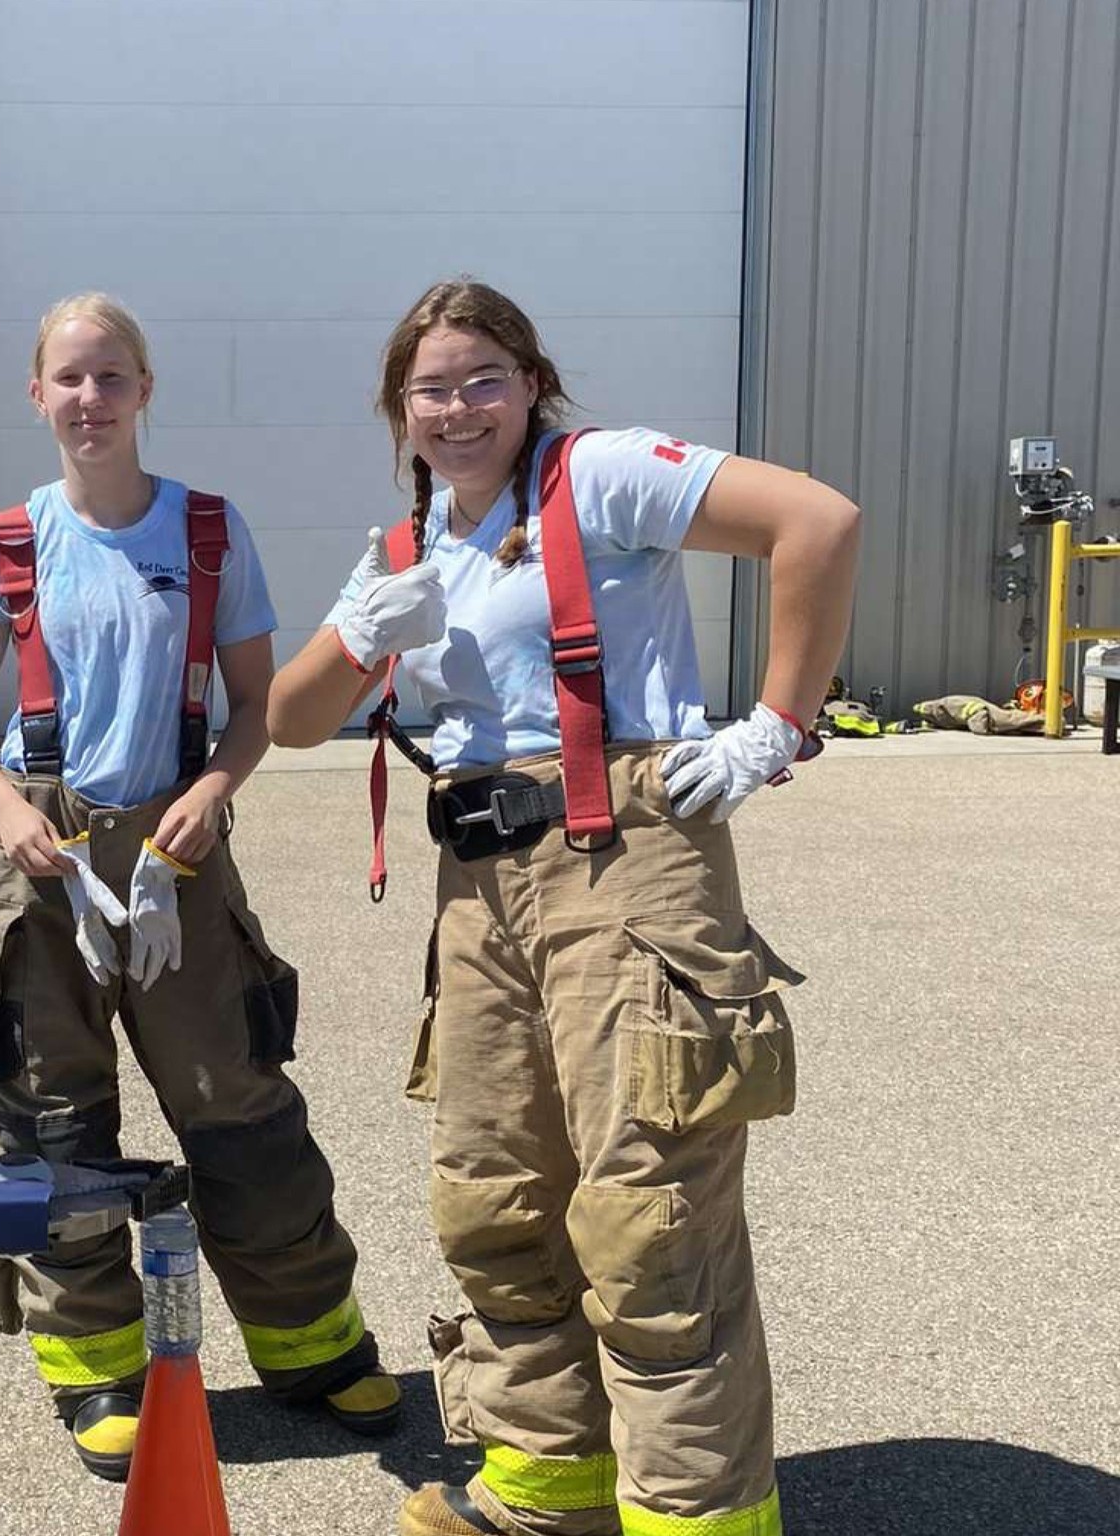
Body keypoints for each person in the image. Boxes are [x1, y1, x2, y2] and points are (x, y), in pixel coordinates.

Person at [265, 279, 859, 1536]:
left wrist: (773, 727)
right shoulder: (407, 544)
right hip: (478, 890)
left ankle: (692, 1517)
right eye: (431, 386)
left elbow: (815, 522)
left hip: (627, 865)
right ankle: (547, 1491)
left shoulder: (595, 475)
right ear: (400, 411)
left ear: (530, 382)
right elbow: (289, 721)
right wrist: (365, 633)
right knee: (493, 1196)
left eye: (483, 376)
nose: (458, 405)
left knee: (648, 1218)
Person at [0, 292, 398, 1482]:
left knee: (238, 1108)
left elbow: (251, 708)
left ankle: (311, 1345)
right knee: (55, 1126)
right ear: (35, 396)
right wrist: (5, 814)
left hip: (178, 860)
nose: (90, 400)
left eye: (111, 377)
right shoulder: (5, 547)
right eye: (68, 380)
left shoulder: (204, 534)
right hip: (38, 867)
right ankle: (97, 1374)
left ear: (144, 391)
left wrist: (211, 791)